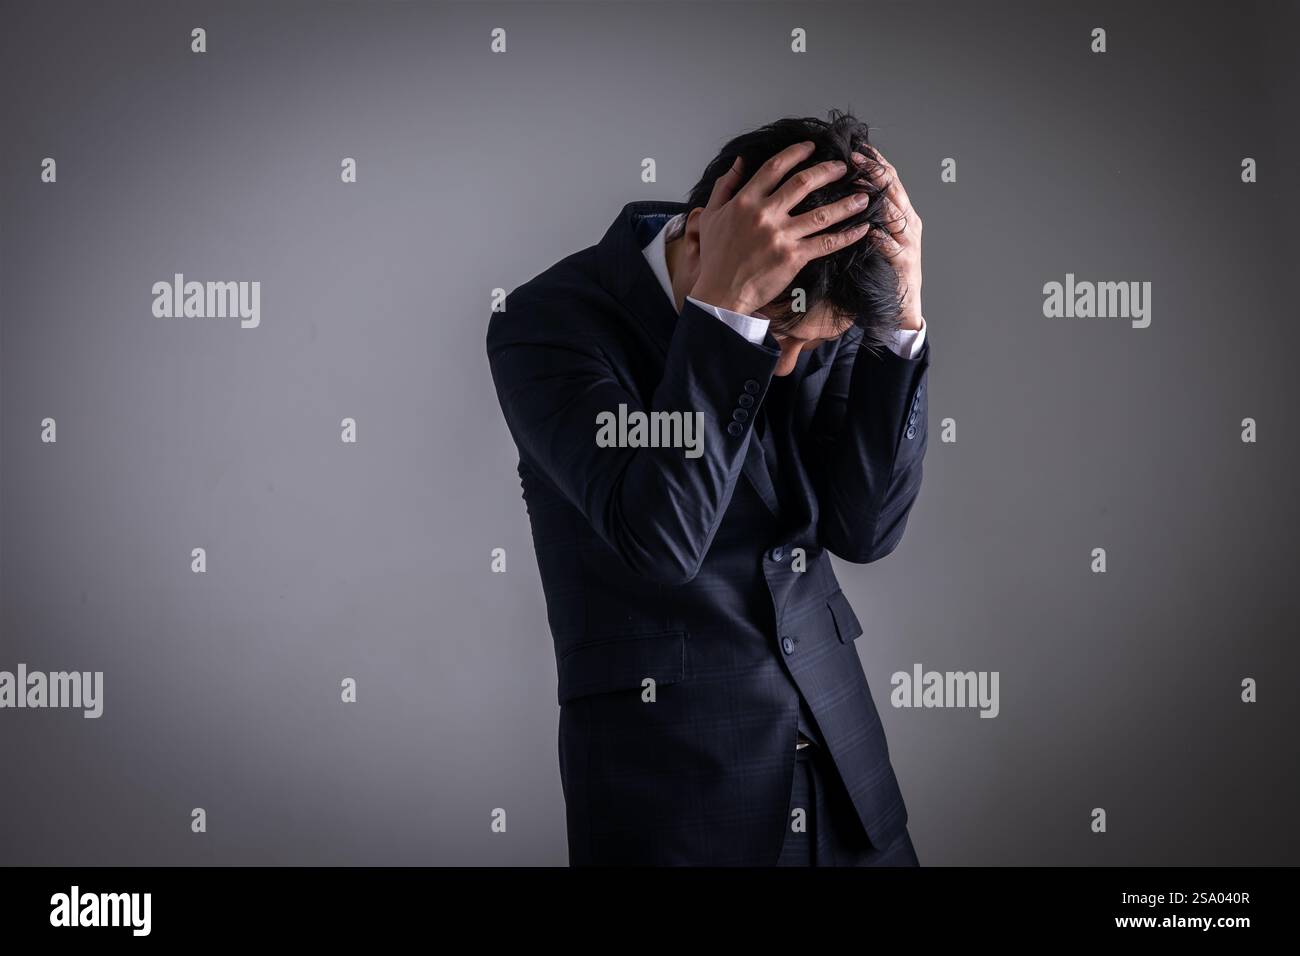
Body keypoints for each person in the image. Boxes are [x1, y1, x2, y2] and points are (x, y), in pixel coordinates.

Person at [486, 110, 931, 865]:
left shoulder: (817, 291)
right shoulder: (549, 324)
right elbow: (659, 540)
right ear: (699, 236)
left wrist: (898, 323)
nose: (786, 365)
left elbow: (866, 530)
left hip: (846, 774)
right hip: (673, 792)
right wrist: (723, 316)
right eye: (776, 334)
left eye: (812, 345)